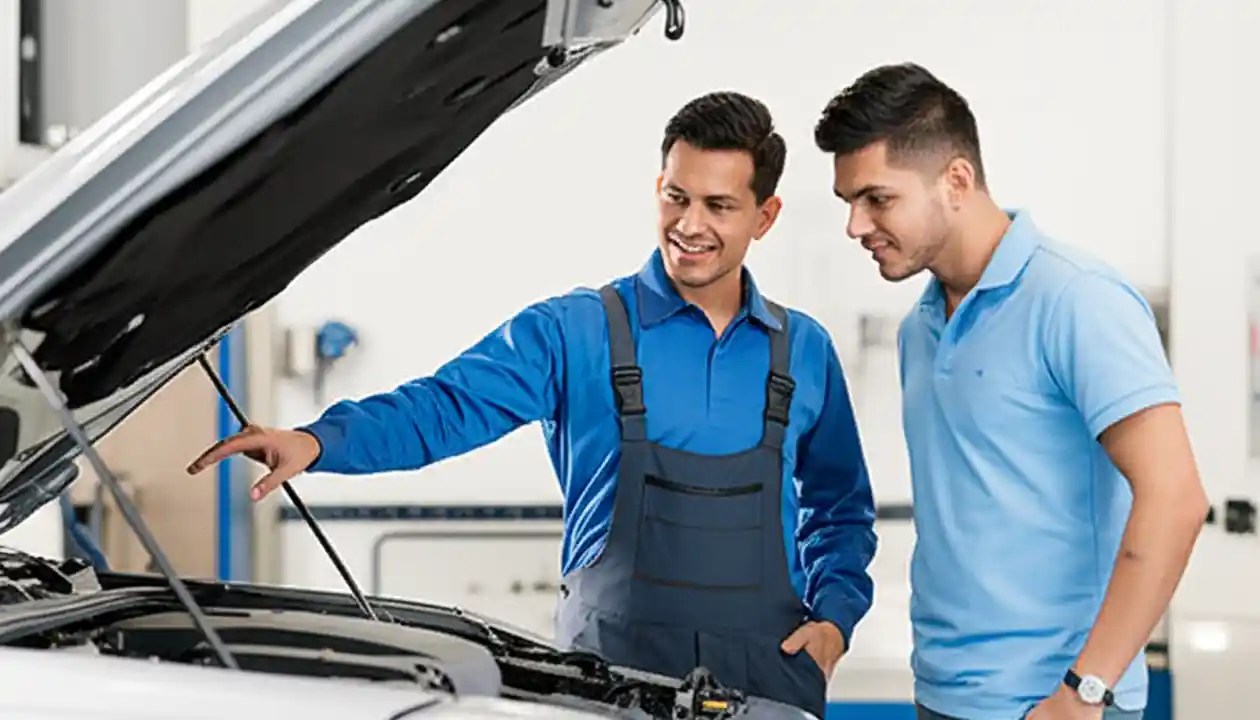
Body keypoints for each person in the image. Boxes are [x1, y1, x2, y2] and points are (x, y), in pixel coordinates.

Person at [188, 90, 878, 718]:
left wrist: (835, 620)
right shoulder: (573, 331)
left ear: (765, 215)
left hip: (768, 686)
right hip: (608, 682)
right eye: (676, 196)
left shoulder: (804, 351)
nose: (689, 224)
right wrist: (319, 442)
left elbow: (840, 507)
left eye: (718, 206)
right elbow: (446, 406)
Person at [811, 63, 1208, 720]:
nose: (856, 225)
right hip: (943, 694)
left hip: (1055, 703)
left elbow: (1176, 498)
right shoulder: (920, 328)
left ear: (956, 181)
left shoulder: (1077, 299)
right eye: (848, 202)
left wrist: (1086, 691)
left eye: (877, 199)